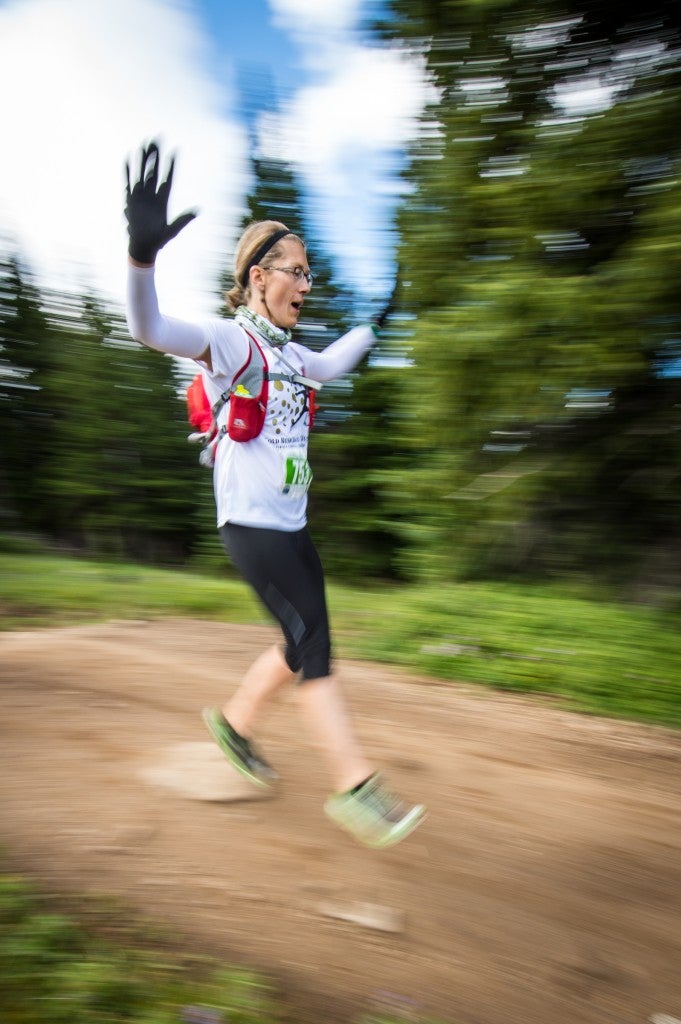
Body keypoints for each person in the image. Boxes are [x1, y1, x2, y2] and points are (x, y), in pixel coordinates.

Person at [124, 141, 425, 849]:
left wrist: (376, 320)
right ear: (258, 276)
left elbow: (335, 361)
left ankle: (233, 727)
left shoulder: (294, 358)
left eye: (310, 274)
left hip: (291, 528)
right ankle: (355, 788)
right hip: (252, 528)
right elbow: (149, 328)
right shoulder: (230, 344)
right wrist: (141, 258)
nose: (306, 284)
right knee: (313, 645)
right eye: (296, 271)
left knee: (296, 644)